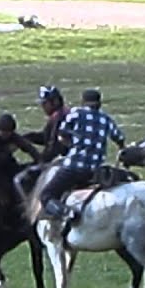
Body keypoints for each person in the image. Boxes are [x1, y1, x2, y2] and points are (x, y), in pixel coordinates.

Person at [39, 89, 125, 217]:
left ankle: (66, 213)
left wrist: (71, 144)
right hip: (95, 171)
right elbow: (120, 139)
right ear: (99, 103)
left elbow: (62, 134)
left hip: (73, 168)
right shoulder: (105, 118)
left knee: (46, 195)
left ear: (83, 102)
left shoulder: (76, 113)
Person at [0, 113, 41, 209]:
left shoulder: (11, 135)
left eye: (9, 133)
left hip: (2, 162)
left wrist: (39, 160)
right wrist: (7, 151)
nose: (7, 135)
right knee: (3, 187)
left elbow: (26, 146)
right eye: (4, 132)